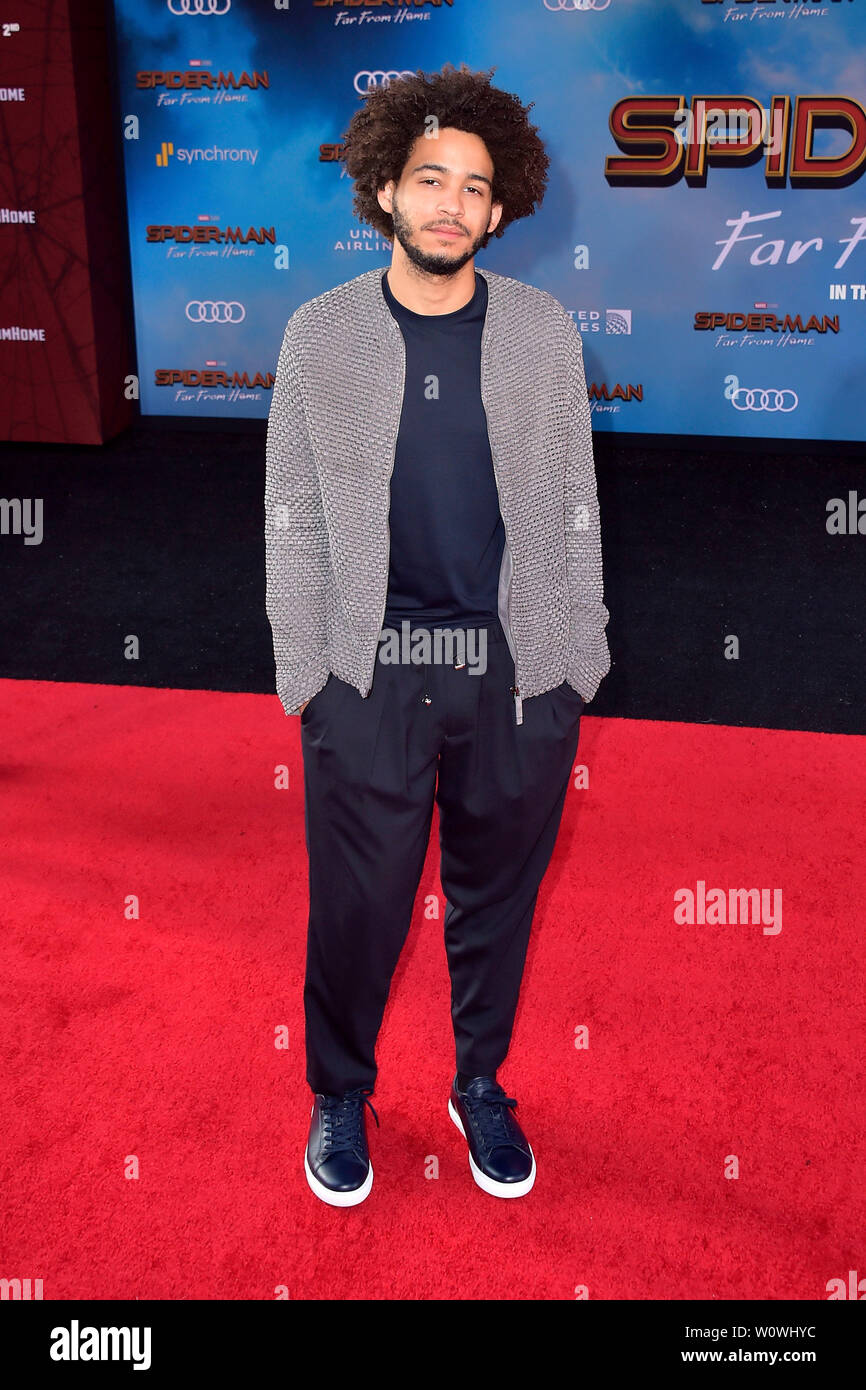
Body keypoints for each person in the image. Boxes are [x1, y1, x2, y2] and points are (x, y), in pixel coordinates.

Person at [264, 62, 611, 1207]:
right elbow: (293, 515)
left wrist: (577, 661)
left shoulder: (542, 333)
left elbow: (572, 501)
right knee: (358, 905)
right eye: (428, 181)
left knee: (495, 898)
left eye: (473, 186)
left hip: (515, 668)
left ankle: (478, 1082)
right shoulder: (318, 337)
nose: (450, 204)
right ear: (384, 192)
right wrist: (306, 676)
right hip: (369, 668)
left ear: (500, 206)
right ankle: (338, 1092)